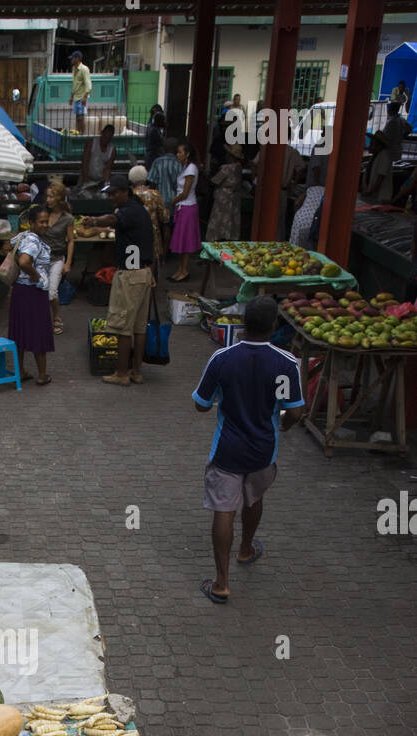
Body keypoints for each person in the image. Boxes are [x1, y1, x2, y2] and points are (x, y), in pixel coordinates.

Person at [192, 295, 305, 604]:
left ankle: (221, 583)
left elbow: (201, 404)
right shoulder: (286, 363)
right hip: (263, 451)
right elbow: (295, 412)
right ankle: (245, 549)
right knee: (254, 498)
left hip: (227, 450)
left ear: (243, 322)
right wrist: (283, 426)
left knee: (223, 509)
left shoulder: (222, 359)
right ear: (273, 325)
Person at [84, 171, 155, 387]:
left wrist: (93, 221)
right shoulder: (140, 209)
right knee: (139, 327)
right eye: (109, 194)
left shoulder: (128, 211)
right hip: (143, 272)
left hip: (130, 275)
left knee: (123, 327)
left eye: (114, 193)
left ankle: (122, 373)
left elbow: (112, 219)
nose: (111, 197)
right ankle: (136, 371)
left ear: (125, 192)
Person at [7, 205, 55, 384]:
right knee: (39, 331)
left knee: (19, 331)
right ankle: (42, 375)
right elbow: (24, 261)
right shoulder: (33, 241)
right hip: (33, 292)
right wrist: (35, 275)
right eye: (41, 222)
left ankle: (20, 372)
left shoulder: (23, 236)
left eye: (47, 221)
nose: (45, 225)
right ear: (31, 222)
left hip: (20, 291)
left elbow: (6, 246)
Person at [41, 180, 74, 333]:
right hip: (40, 258)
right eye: (47, 196)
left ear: (59, 198)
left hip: (56, 259)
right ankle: (41, 318)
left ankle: (56, 317)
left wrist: (68, 263)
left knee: (52, 291)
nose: (48, 200)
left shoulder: (67, 218)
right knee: (39, 290)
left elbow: (71, 241)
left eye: (51, 197)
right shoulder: (43, 214)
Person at [168, 141, 201, 282]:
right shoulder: (185, 168)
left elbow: (185, 193)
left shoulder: (191, 169)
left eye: (180, 152)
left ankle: (184, 270)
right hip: (182, 207)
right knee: (181, 240)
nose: (178, 154)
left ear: (187, 154)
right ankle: (180, 269)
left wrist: (172, 201)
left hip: (188, 207)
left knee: (185, 240)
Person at [128, 164, 169, 273]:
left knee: (135, 267)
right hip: (153, 235)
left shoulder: (129, 195)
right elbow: (165, 216)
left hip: (133, 236)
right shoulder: (155, 194)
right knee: (152, 265)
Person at [147, 137, 181, 254]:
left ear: (164, 148)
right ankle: (168, 253)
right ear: (176, 149)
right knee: (170, 227)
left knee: (159, 228)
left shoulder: (158, 162)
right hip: (175, 200)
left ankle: (160, 253)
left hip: (159, 199)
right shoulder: (179, 163)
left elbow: (152, 182)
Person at [206, 146, 244, 241]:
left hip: (224, 197)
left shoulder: (227, 168)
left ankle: (218, 237)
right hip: (234, 197)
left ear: (230, 156)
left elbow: (215, 181)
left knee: (220, 219)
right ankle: (229, 236)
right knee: (231, 218)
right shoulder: (239, 167)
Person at [289, 160, 326, 247]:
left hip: (300, 217)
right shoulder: (328, 193)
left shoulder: (311, 188)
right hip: (313, 221)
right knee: (308, 247)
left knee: (295, 244)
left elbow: (297, 203)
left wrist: (296, 215)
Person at [78, 123, 116, 196]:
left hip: (100, 182)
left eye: (108, 138)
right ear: (102, 133)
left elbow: (108, 169)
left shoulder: (112, 150)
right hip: (86, 178)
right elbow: (85, 162)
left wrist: (106, 183)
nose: (106, 140)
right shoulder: (92, 143)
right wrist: (86, 180)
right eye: (105, 137)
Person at [363, 131, 394, 204]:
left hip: (381, 197)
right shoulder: (376, 156)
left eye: (372, 144)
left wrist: (370, 192)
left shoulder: (384, 156)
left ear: (379, 145)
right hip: (373, 196)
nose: (369, 146)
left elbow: (380, 178)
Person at [69, 49, 92, 135]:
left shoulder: (84, 69)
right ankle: (78, 133)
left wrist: (85, 97)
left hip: (82, 97)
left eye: (73, 58)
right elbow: (75, 84)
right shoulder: (74, 69)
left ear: (77, 59)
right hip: (76, 97)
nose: (71, 60)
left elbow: (88, 85)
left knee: (81, 117)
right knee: (77, 116)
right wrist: (71, 97)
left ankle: (82, 134)